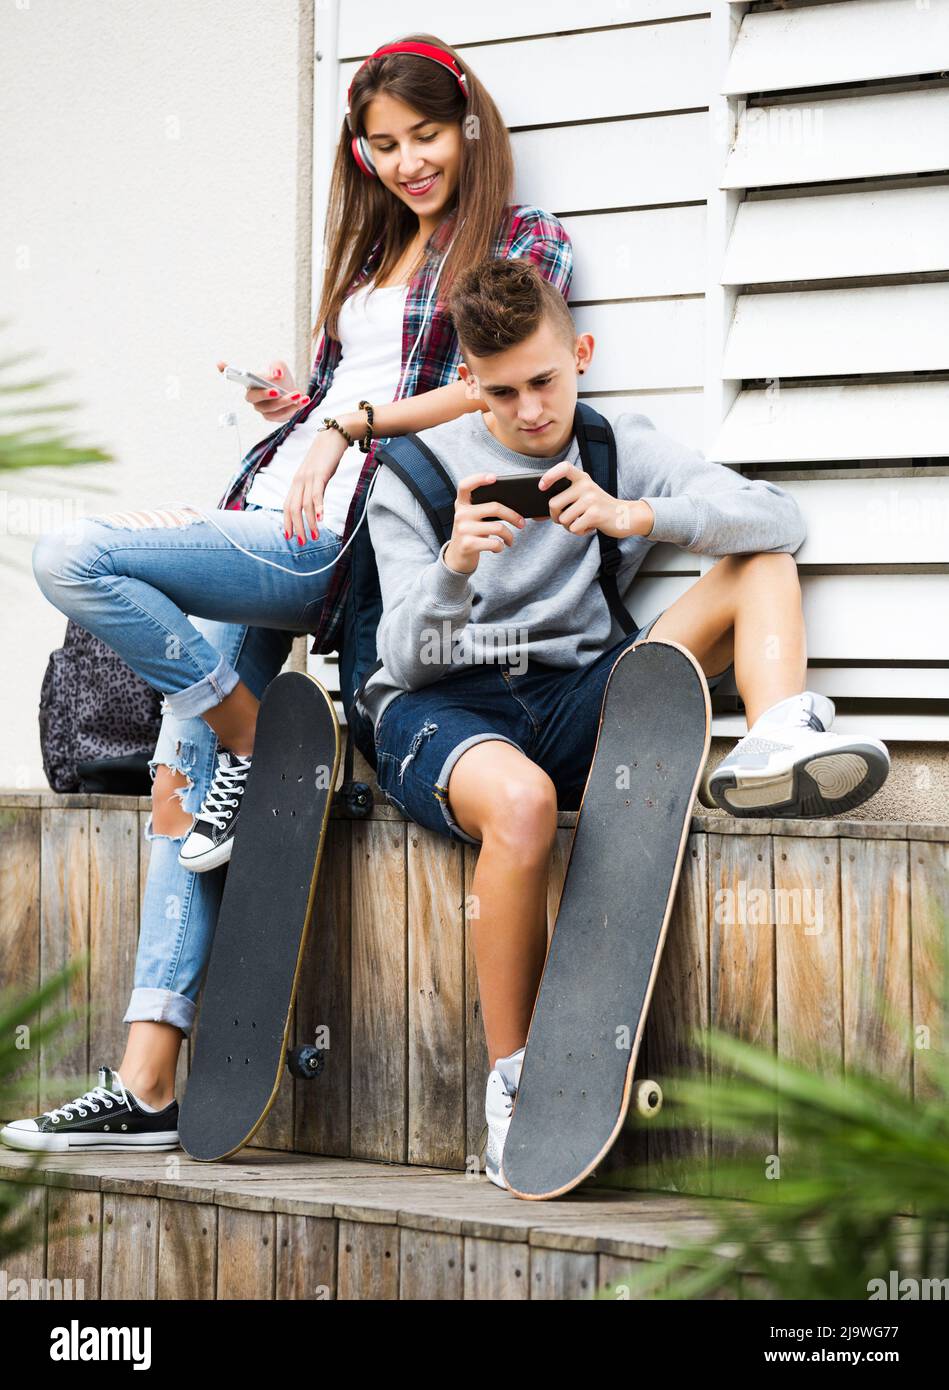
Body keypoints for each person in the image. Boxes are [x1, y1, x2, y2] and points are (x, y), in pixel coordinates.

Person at [2, 35, 573, 1154]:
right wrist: (301, 401)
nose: (408, 163)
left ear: (467, 123)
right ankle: (147, 1081)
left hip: (347, 531)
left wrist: (348, 426)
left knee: (73, 554)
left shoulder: (518, 241)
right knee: (184, 759)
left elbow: (486, 384)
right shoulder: (371, 264)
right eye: (383, 146)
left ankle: (248, 727)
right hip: (278, 502)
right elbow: (334, 393)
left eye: (425, 136)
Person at [359, 256, 892, 1189]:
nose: (529, 411)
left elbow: (777, 514)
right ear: (469, 387)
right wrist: (452, 567)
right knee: (521, 807)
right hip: (441, 703)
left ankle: (771, 741)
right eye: (501, 393)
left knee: (762, 562)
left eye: (545, 382)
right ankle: (514, 1080)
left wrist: (634, 512)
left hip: (572, 692)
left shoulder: (611, 445)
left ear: (583, 356)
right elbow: (405, 658)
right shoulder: (411, 472)